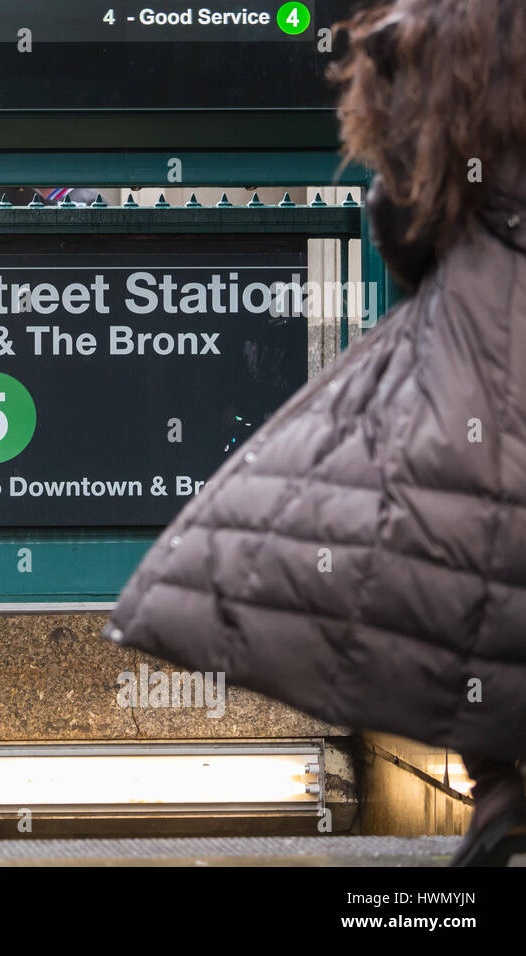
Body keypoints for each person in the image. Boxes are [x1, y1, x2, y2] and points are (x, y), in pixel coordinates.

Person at [105, 0, 526, 866]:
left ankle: (503, 786)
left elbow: (406, 220)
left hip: (482, 352)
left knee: (463, 575)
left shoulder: (452, 35)